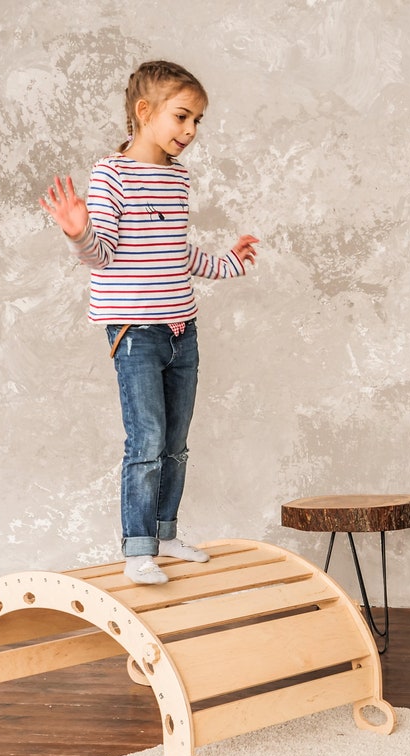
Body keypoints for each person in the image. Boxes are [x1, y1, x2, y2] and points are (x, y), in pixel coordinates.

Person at [39, 60, 258, 585]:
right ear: (145, 112)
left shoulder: (177, 179)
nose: (190, 131)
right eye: (183, 117)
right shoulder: (111, 176)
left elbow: (174, 253)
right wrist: (77, 232)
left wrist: (227, 261)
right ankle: (138, 549)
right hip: (134, 333)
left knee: (177, 440)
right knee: (147, 441)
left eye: (197, 121)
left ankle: (165, 532)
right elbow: (103, 253)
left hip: (183, 331)